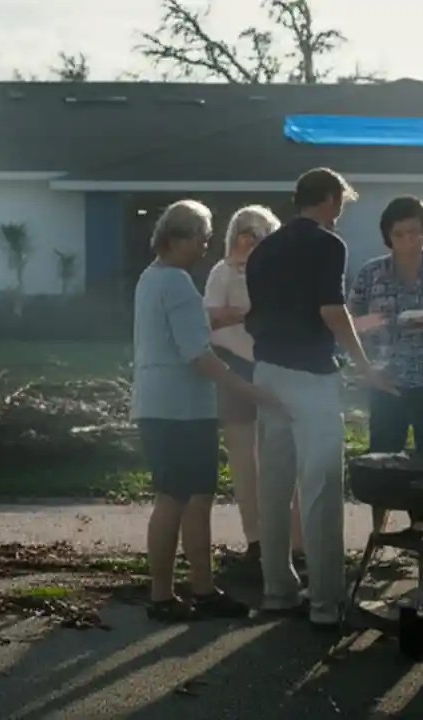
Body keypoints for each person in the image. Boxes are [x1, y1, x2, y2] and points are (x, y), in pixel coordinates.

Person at [245, 167, 394, 631]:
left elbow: (257, 315)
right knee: (321, 487)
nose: (340, 214)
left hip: (267, 371)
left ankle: (276, 589)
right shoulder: (329, 245)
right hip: (311, 376)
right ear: (329, 200)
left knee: (273, 485)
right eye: (340, 204)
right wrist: (365, 365)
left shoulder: (263, 249)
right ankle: (326, 601)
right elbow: (331, 310)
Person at [132, 199, 284, 623]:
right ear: (176, 238)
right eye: (200, 236)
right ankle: (161, 595)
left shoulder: (152, 279)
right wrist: (251, 391)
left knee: (199, 497)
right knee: (173, 498)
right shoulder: (177, 283)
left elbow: (192, 334)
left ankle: (203, 587)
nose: (205, 244)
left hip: (172, 406)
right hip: (176, 410)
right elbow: (199, 355)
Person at [348, 196, 423, 534]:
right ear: (388, 236)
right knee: (384, 461)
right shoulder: (372, 273)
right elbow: (350, 324)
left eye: (414, 233)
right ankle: (380, 534)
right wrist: (381, 327)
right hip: (388, 380)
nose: (408, 241)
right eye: (399, 234)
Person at [203, 205, 305, 576]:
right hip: (235, 367)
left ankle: (297, 544)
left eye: (257, 233)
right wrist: (248, 313)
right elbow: (210, 316)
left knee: (279, 459)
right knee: (243, 463)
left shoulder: (281, 273)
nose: (248, 238)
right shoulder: (222, 272)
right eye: (242, 231)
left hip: (274, 367)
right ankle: (256, 542)